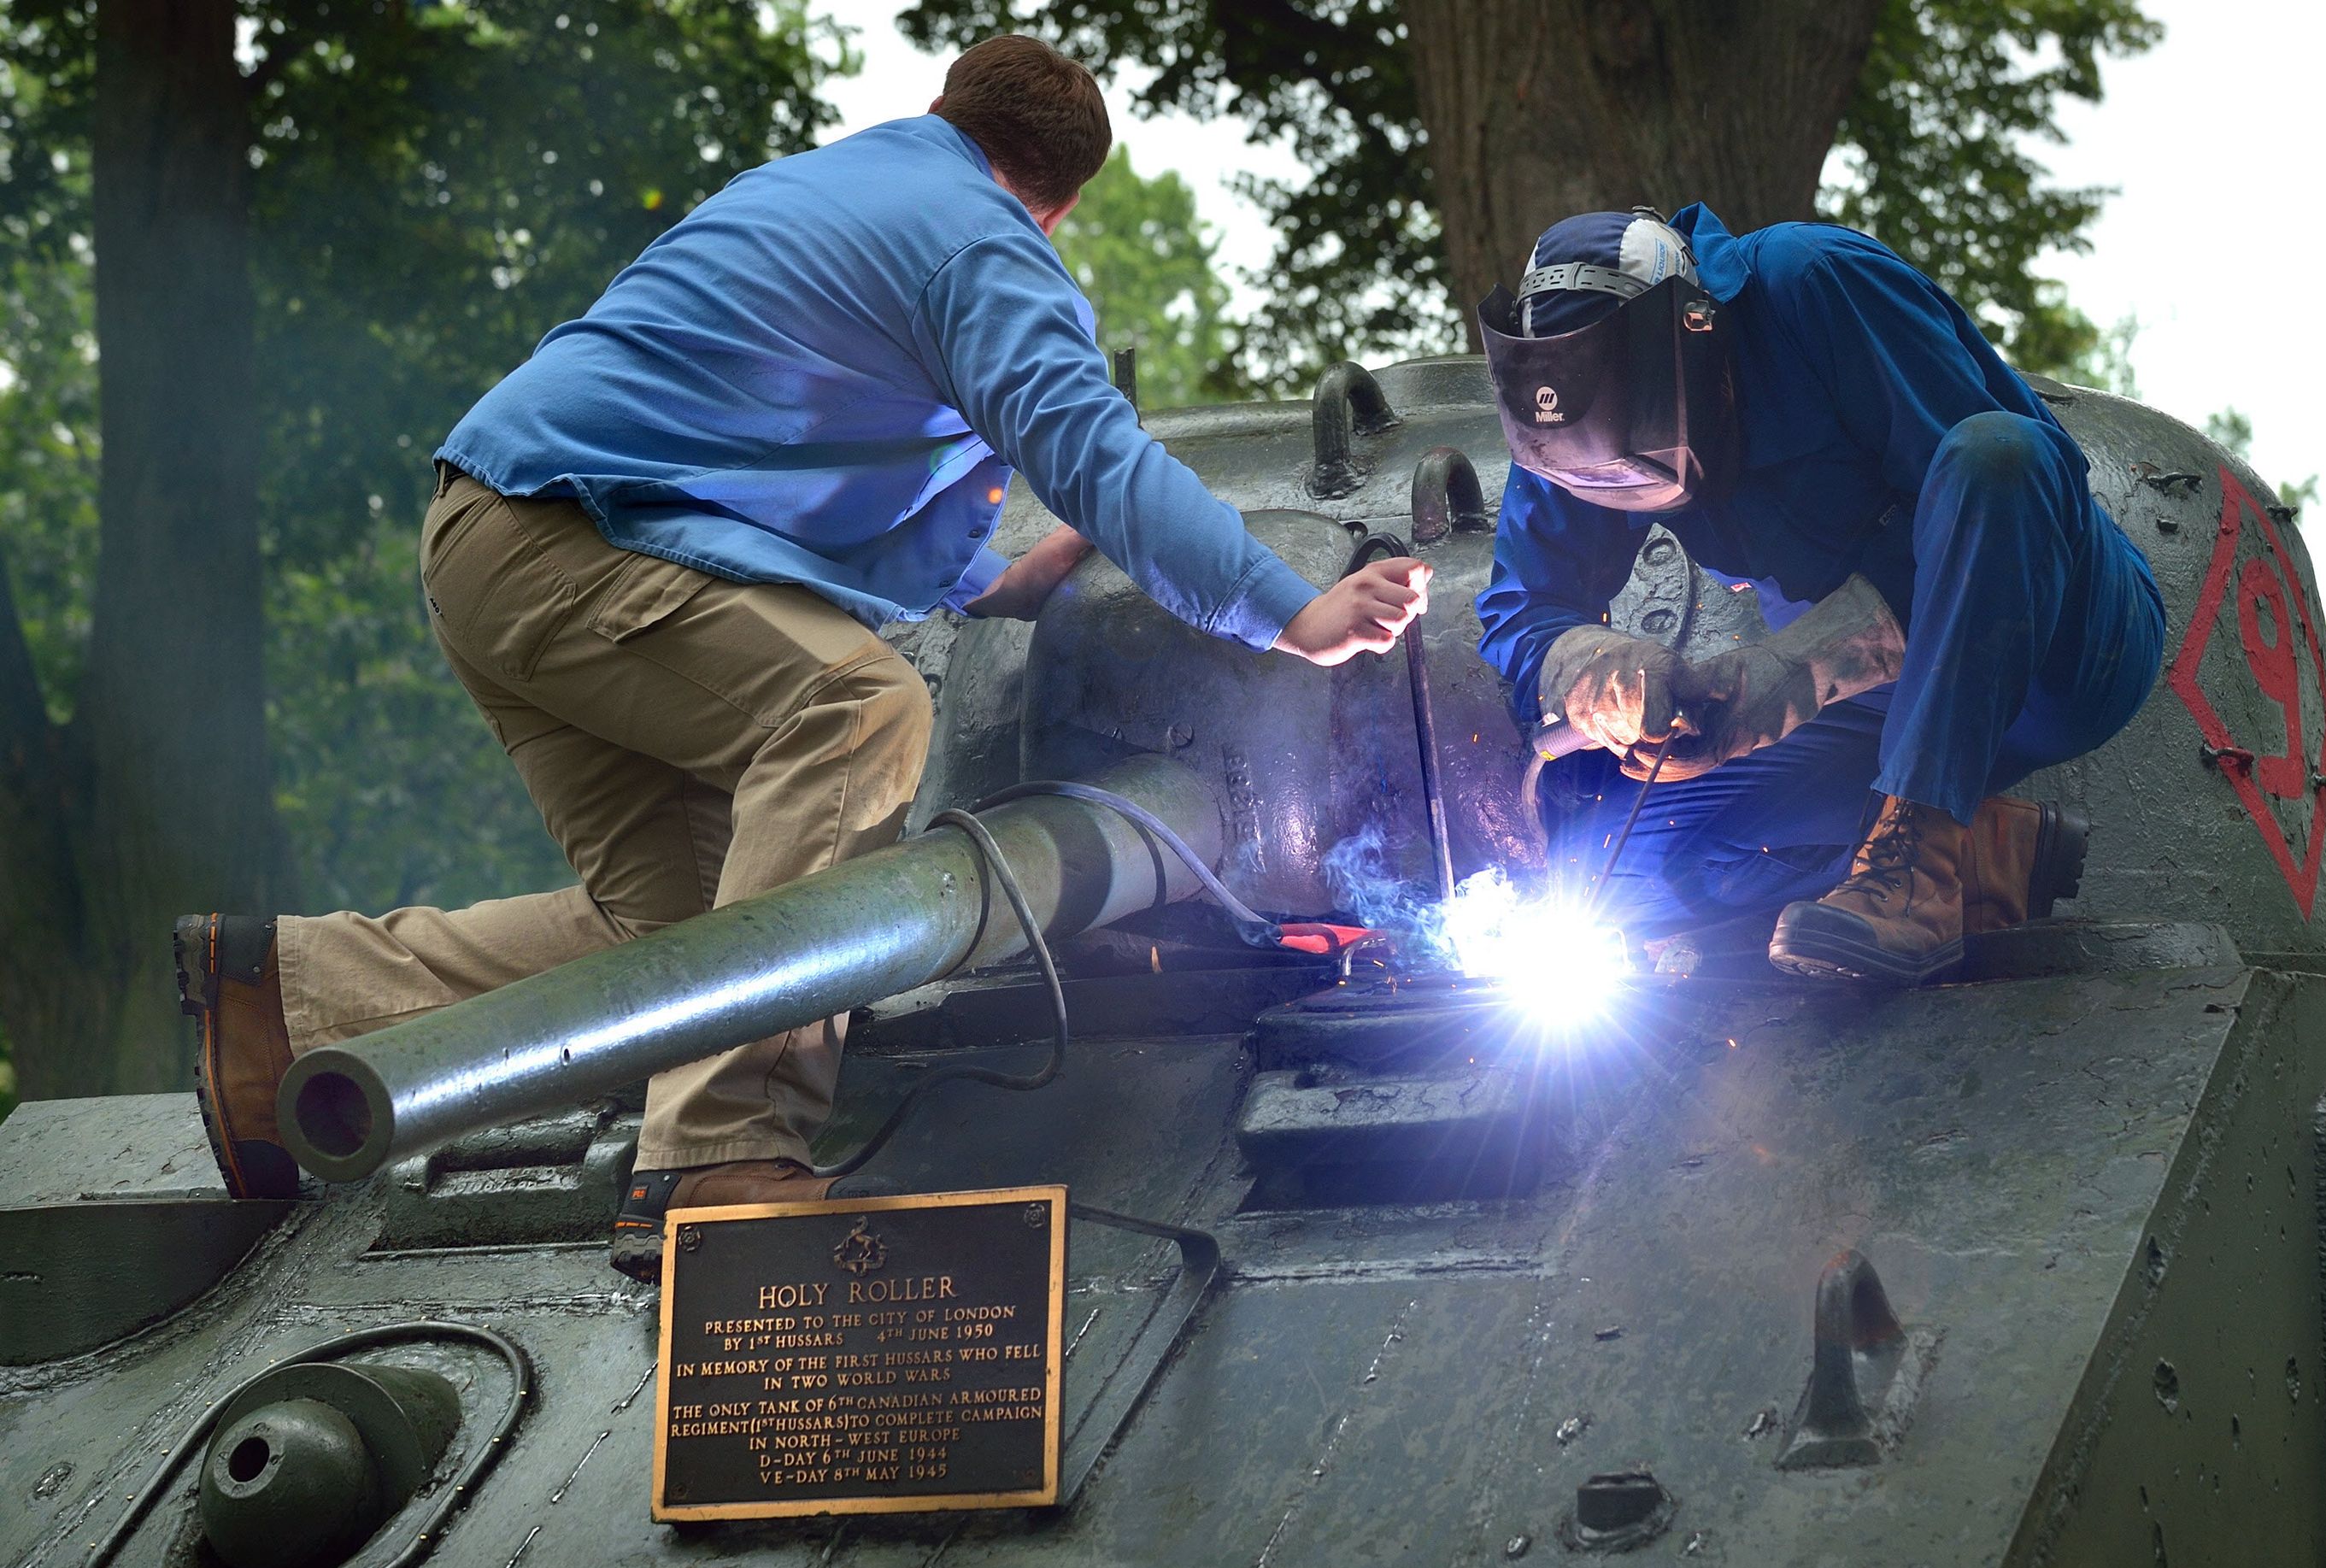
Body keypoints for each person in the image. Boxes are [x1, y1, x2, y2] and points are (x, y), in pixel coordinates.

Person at [177, 36, 1430, 1277]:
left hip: (492, 536)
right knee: (853, 709)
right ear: (1059, 199)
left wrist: (991, 581)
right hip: (575, 536)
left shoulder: (831, 194)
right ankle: (722, 1144)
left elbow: (782, 437)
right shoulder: (984, 244)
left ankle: (289, 1011)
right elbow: (1095, 456)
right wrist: (1287, 612)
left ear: (948, 110)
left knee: (696, 940)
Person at [1474, 207, 2163, 984]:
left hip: (2060, 648)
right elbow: (1521, 611)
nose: (1621, 492)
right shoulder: (1563, 414)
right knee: (1608, 876)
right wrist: (1592, 661)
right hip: (1874, 708)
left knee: (1996, 452)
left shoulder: (1815, 283)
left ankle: (1920, 867)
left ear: (1695, 339)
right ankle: (1972, 851)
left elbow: (2003, 501)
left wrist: (1790, 675)